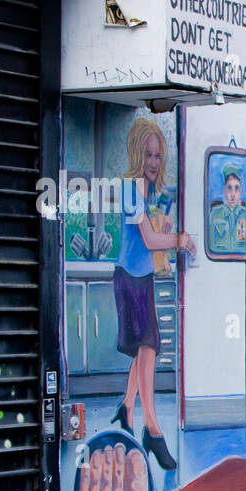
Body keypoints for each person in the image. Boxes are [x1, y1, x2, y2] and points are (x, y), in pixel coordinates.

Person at [110, 118, 195, 470]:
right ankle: (153, 429)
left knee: (144, 349)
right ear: (137, 154)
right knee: (148, 347)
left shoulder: (151, 192)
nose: (154, 162)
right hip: (129, 279)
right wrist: (180, 240)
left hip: (142, 278)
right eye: (148, 155)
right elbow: (147, 239)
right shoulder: (131, 190)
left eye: (158, 156)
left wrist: (168, 226)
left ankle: (127, 406)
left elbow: (154, 227)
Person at [207, 160, 246, 257]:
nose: (233, 194)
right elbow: (211, 247)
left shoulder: (245, 215)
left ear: (240, 190)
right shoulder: (215, 214)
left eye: (236, 188)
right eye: (229, 188)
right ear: (224, 189)